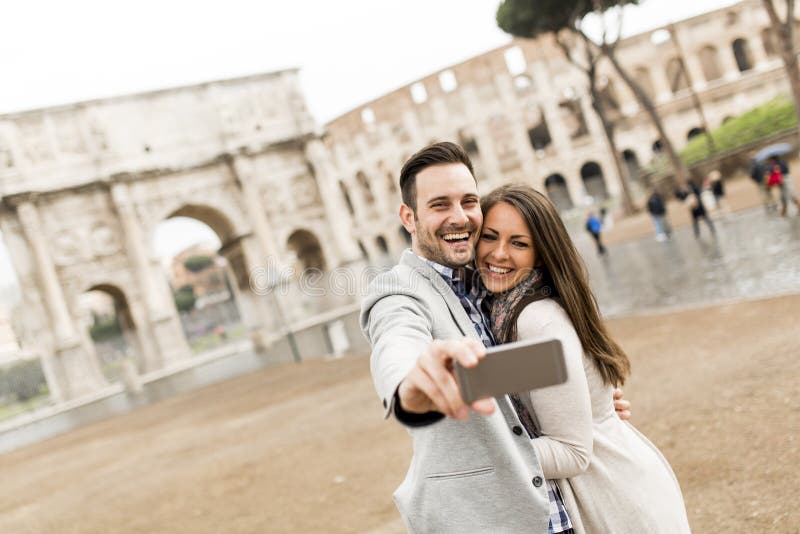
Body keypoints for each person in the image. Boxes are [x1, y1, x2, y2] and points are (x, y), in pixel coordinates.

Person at [361, 142, 631, 533]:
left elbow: (521, 378)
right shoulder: (397, 292)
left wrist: (589, 402)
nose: (459, 217)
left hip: (554, 515)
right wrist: (410, 384)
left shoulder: (486, 282)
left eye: (468, 202)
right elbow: (396, 341)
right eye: (439, 205)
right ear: (409, 217)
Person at [476, 184, 691, 533]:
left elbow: (573, 451)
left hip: (616, 502)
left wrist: (479, 460)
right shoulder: (504, 310)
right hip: (619, 483)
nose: (498, 253)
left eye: (519, 243)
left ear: (541, 255)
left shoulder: (536, 321)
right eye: (490, 236)